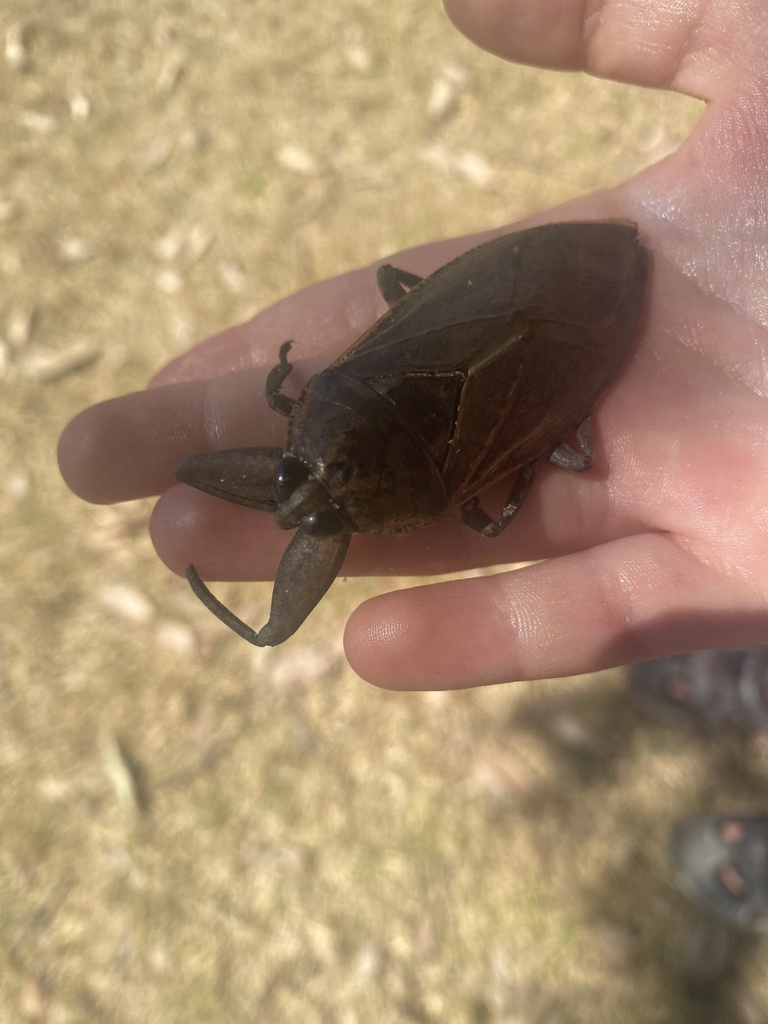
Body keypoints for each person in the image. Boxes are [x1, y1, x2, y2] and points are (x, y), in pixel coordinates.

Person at [57, 0, 768, 926]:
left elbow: (478, 505)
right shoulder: (327, 402)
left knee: (475, 501)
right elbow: (330, 412)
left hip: (547, 339)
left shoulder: (408, 477)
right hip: (525, 316)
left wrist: (508, 473)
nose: (299, 496)